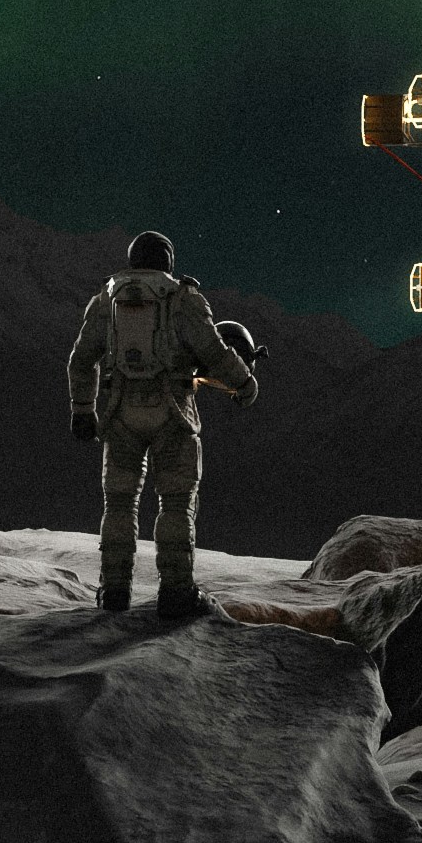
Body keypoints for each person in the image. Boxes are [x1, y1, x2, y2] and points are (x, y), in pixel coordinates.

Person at [66, 230, 260, 616]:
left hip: (120, 414)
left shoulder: (106, 299)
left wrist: (82, 409)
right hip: (174, 415)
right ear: (168, 260)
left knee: (118, 504)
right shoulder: (183, 299)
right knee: (175, 503)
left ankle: (114, 591)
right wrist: (245, 383)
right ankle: (175, 592)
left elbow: (81, 358)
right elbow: (213, 351)